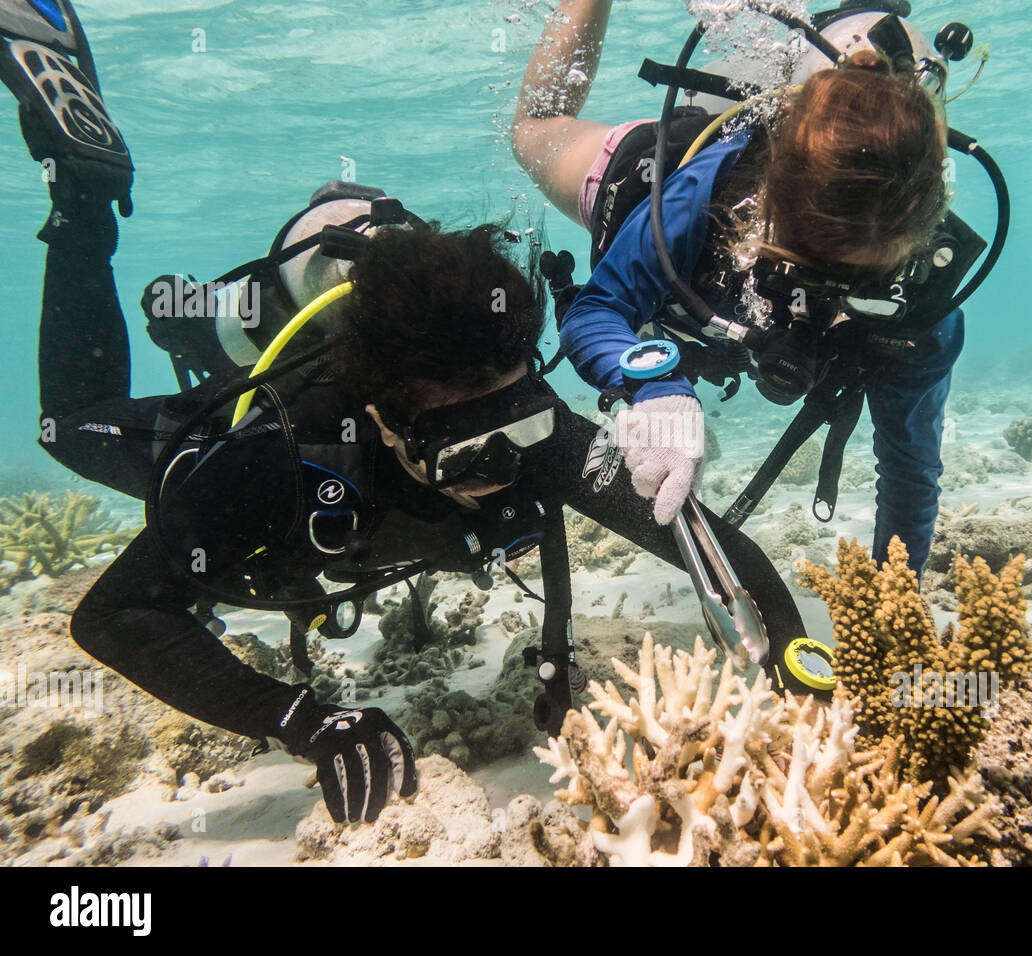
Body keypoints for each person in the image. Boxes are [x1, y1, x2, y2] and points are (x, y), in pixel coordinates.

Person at [2, 0, 827, 825]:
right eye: (466, 451)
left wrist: (789, 643)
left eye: (520, 428)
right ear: (386, 423)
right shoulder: (284, 456)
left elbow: (692, 531)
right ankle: (84, 200)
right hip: (238, 425)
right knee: (74, 421)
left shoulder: (530, 429)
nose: (504, 467)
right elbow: (112, 615)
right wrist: (300, 720)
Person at [513, 0, 996, 577]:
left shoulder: (921, 307)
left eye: (860, 288)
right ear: (766, 207)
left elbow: (910, 466)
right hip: (645, 191)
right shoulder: (713, 188)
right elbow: (598, 307)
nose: (817, 308)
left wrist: (897, 604)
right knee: (533, 129)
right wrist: (652, 382)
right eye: (799, 268)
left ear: (915, 244)